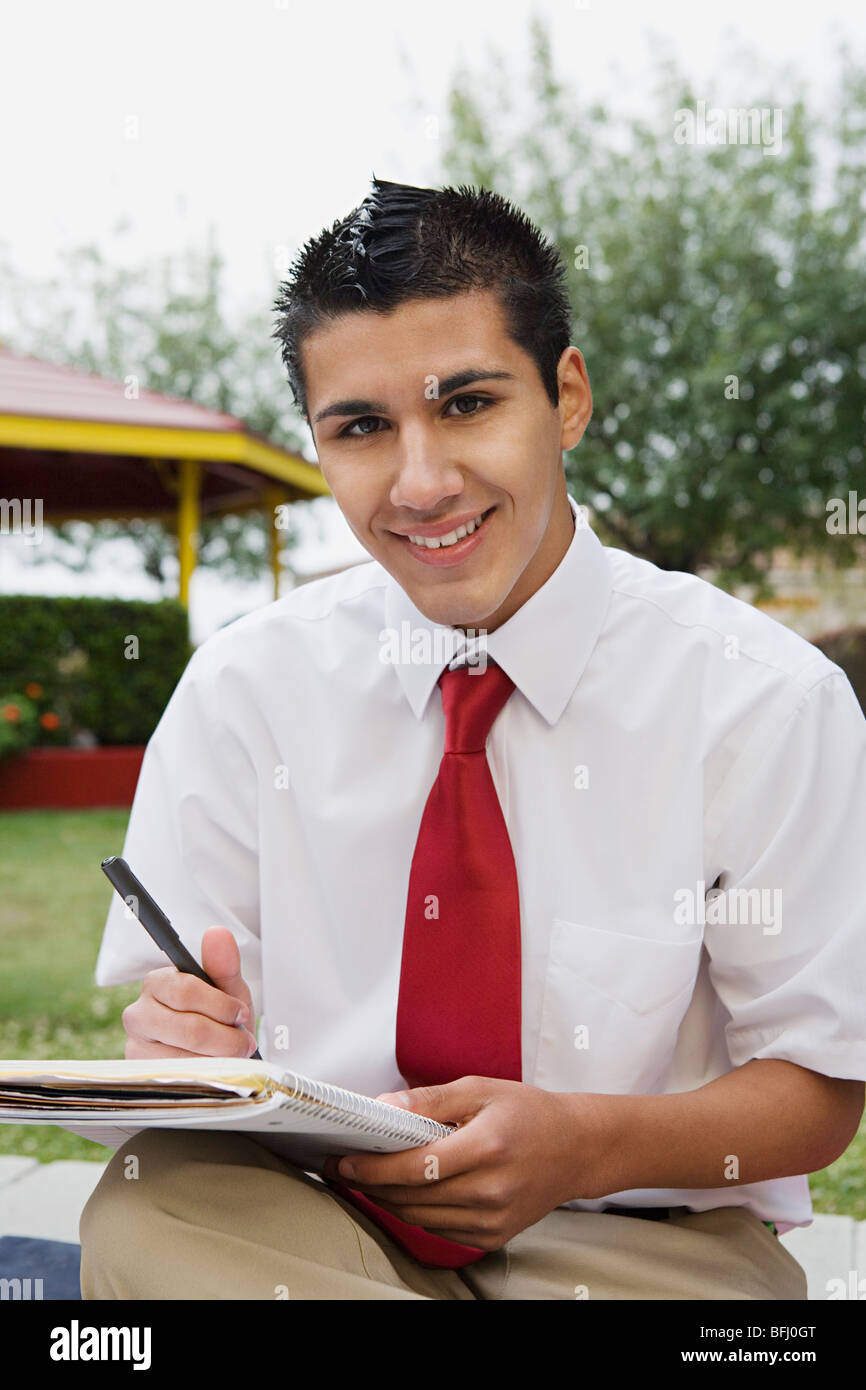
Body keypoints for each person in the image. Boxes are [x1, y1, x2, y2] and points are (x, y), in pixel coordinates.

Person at [79, 176, 865, 1301]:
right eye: (361, 427)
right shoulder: (243, 691)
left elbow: (819, 1092)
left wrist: (583, 1143)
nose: (421, 482)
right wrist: (176, 1042)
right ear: (318, 442)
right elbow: (166, 1047)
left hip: (642, 1239)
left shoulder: (764, 700)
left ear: (568, 397)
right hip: (306, 1217)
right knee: (153, 1203)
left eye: (465, 404)